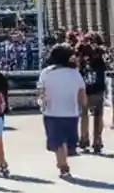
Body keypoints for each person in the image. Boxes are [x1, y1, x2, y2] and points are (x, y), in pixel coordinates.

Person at [38, 43, 86, 178]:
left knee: (58, 141)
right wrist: (83, 105)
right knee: (66, 140)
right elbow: (82, 93)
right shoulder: (75, 73)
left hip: (52, 112)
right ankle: (63, 164)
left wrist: (42, 103)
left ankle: (63, 166)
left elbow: (41, 92)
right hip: (71, 112)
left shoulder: (46, 73)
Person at [77, 35, 107, 153]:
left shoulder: (81, 60)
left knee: (84, 115)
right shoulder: (99, 58)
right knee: (98, 116)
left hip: (85, 90)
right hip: (98, 89)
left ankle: (84, 139)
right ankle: (97, 140)